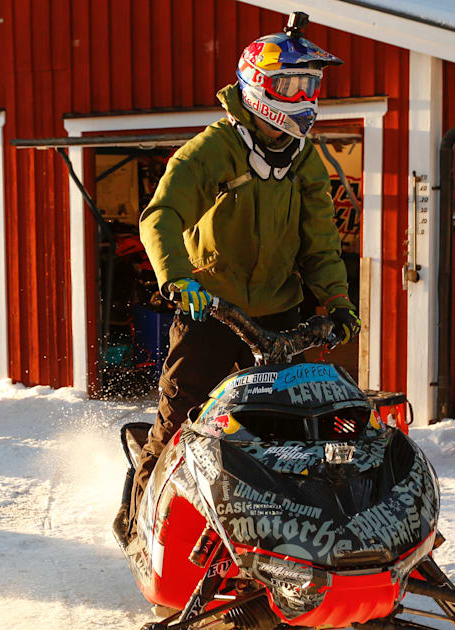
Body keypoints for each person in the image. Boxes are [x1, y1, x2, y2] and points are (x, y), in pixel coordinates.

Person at [124, 13, 360, 533]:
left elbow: (320, 244)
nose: (301, 97)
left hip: (280, 316)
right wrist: (177, 277)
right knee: (182, 420)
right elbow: (161, 215)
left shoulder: (304, 161)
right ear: (258, 86)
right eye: (290, 85)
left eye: (310, 86)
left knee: (291, 429)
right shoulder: (214, 149)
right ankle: (141, 520)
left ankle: (289, 532)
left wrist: (336, 301)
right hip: (209, 309)